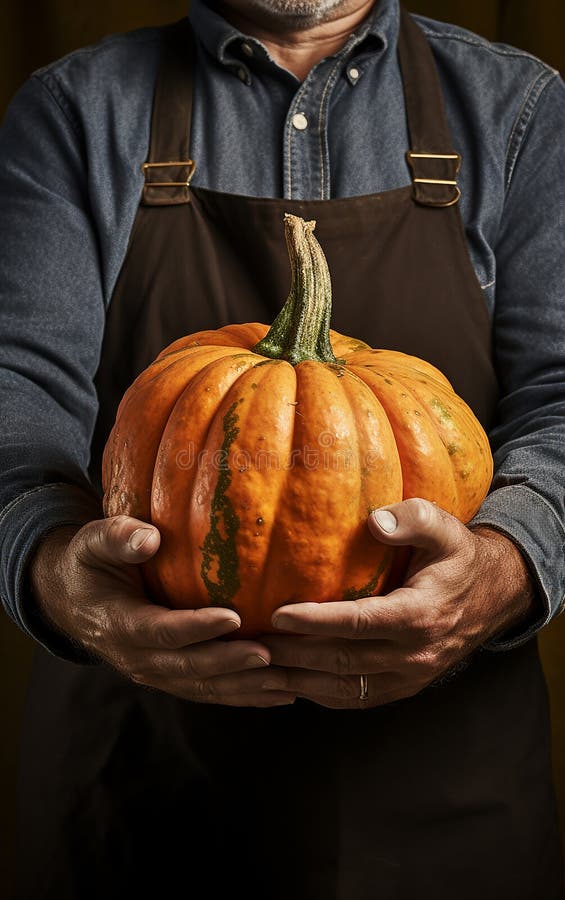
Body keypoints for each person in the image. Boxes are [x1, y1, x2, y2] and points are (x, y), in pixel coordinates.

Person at [1, 0, 564, 897]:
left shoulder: (519, 107)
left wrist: (501, 568)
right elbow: (13, 383)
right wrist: (48, 567)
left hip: (445, 800)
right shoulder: (76, 107)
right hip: (140, 794)